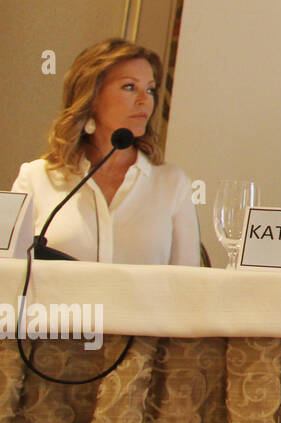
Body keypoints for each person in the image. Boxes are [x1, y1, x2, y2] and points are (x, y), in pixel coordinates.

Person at [11, 38, 200, 265]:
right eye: (129, 87)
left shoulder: (172, 183)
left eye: (150, 89)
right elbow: (9, 277)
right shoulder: (35, 178)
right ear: (91, 96)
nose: (144, 100)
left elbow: (188, 285)